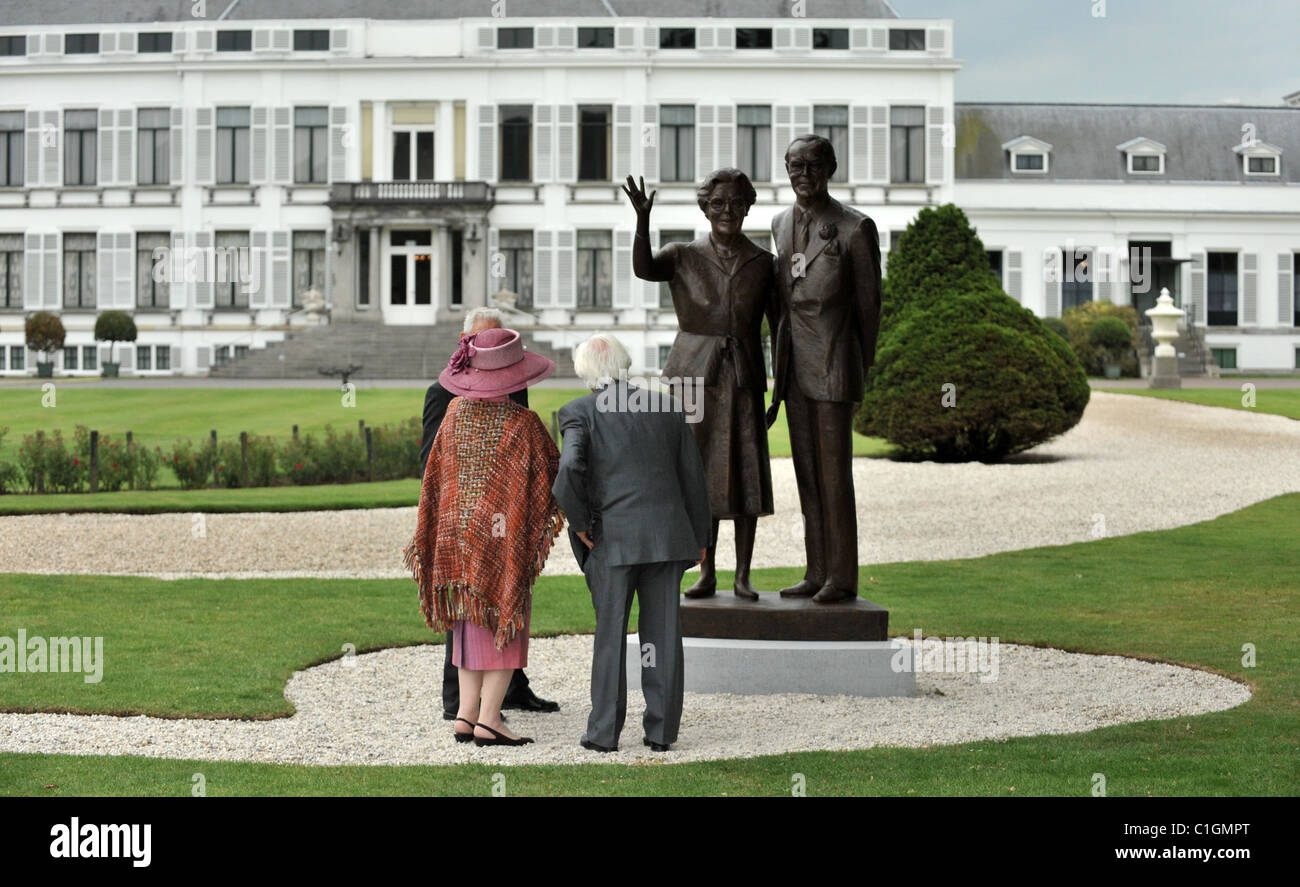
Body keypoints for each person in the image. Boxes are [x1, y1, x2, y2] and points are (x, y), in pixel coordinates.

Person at [404, 327, 565, 747]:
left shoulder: (455, 413)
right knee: (504, 623)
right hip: (501, 537)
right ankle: (491, 719)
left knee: (465, 622)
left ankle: (465, 714)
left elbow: (434, 479)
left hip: (457, 538)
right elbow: (555, 477)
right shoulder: (523, 423)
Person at [552, 334, 712, 753]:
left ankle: (603, 733)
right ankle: (661, 733)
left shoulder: (578, 411)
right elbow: (693, 479)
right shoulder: (667, 406)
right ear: (626, 364)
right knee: (661, 637)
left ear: (585, 372)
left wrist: (582, 524)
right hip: (666, 539)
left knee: (610, 637)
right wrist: (701, 539)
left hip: (613, 541)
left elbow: (568, 469)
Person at [622, 171, 775, 600]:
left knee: (747, 474)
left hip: (743, 374)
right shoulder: (682, 254)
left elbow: (779, 326)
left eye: (736, 202)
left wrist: (778, 390)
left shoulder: (764, 263)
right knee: (697, 474)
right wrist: (641, 222)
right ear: (705, 208)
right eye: (718, 203)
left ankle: (742, 574)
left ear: (747, 206)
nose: (727, 211)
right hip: (692, 375)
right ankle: (705, 571)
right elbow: (644, 268)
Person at [768, 134, 883, 604]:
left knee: (836, 477)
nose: (803, 175)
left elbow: (870, 309)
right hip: (794, 366)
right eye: (795, 167)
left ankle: (843, 576)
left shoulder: (855, 228)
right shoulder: (778, 224)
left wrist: (860, 368)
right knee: (807, 474)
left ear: (830, 169)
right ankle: (816, 570)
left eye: (812, 166)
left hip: (834, 365)